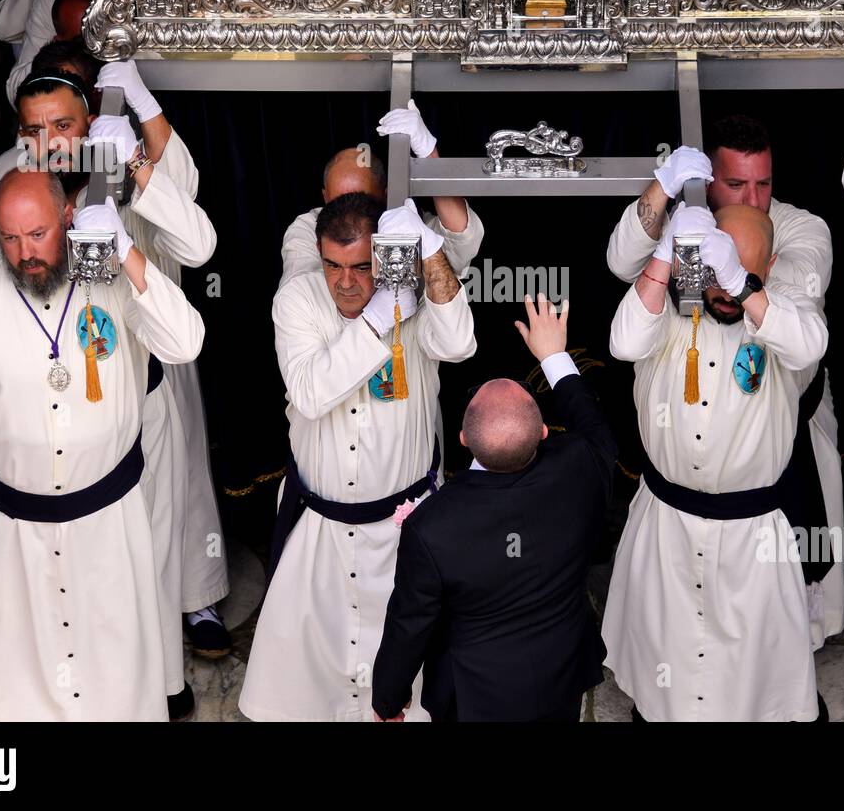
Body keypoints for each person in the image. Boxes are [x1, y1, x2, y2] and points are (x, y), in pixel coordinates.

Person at [0, 69, 230, 712]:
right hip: (43, 411)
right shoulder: (7, 188)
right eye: (35, 131)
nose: (51, 144)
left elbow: (199, 243)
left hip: (137, 398)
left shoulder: (124, 168)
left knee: (143, 554)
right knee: (51, 585)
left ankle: (156, 691)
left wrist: (131, 183)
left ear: (91, 122)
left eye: (63, 126)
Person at [0, 169, 204, 720]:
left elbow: (186, 341)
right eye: (10, 238)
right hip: (13, 536)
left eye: (37, 234)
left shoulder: (112, 279)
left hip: (110, 523)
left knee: (118, 670)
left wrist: (126, 248)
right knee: (22, 683)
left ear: (68, 217)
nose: (25, 254)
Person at [605, 117, 844, 645]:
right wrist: (662, 191)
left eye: (764, 183)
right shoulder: (684, 217)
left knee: (789, 598)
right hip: (689, 417)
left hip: (781, 409)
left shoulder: (799, 226)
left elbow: (801, 300)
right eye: (737, 185)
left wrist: (737, 269)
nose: (754, 197)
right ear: (709, 181)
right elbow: (622, 263)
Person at [241, 192, 476, 721]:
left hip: (405, 534)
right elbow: (311, 392)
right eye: (333, 265)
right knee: (304, 686)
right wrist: (377, 319)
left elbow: (460, 343)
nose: (345, 281)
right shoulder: (298, 299)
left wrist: (430, 251)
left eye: (362, 267)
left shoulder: (415, 286)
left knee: (408, 680)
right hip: (319, 530)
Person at [603, 204, 830, 721]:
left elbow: (810, 344)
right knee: (667, 662)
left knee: (753, 679)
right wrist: (667, 254)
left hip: (753, 540)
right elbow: (623, 342)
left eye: (743, 273)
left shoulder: (785, 308)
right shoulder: (669, 304)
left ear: (769, 266)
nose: (724, 292)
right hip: (668, 529)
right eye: (716, 275)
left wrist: (742, 284)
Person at [372, 293, 614, 722]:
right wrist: (554, 356)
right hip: (561, 674)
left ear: (463, 439)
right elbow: (591, 424)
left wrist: (388, 701)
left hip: (474, 697)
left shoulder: (431, 526)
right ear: (543, 431)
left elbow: (410, 624)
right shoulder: (581, 466)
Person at [279, 99, 483, 284]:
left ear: (385, 196)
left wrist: (429, 156)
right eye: (339, 202)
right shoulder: (305, 230)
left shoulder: (410, 223)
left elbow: (462, 239)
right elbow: (304, 291)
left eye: (363, 203)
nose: (350, 215)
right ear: (325, 198)